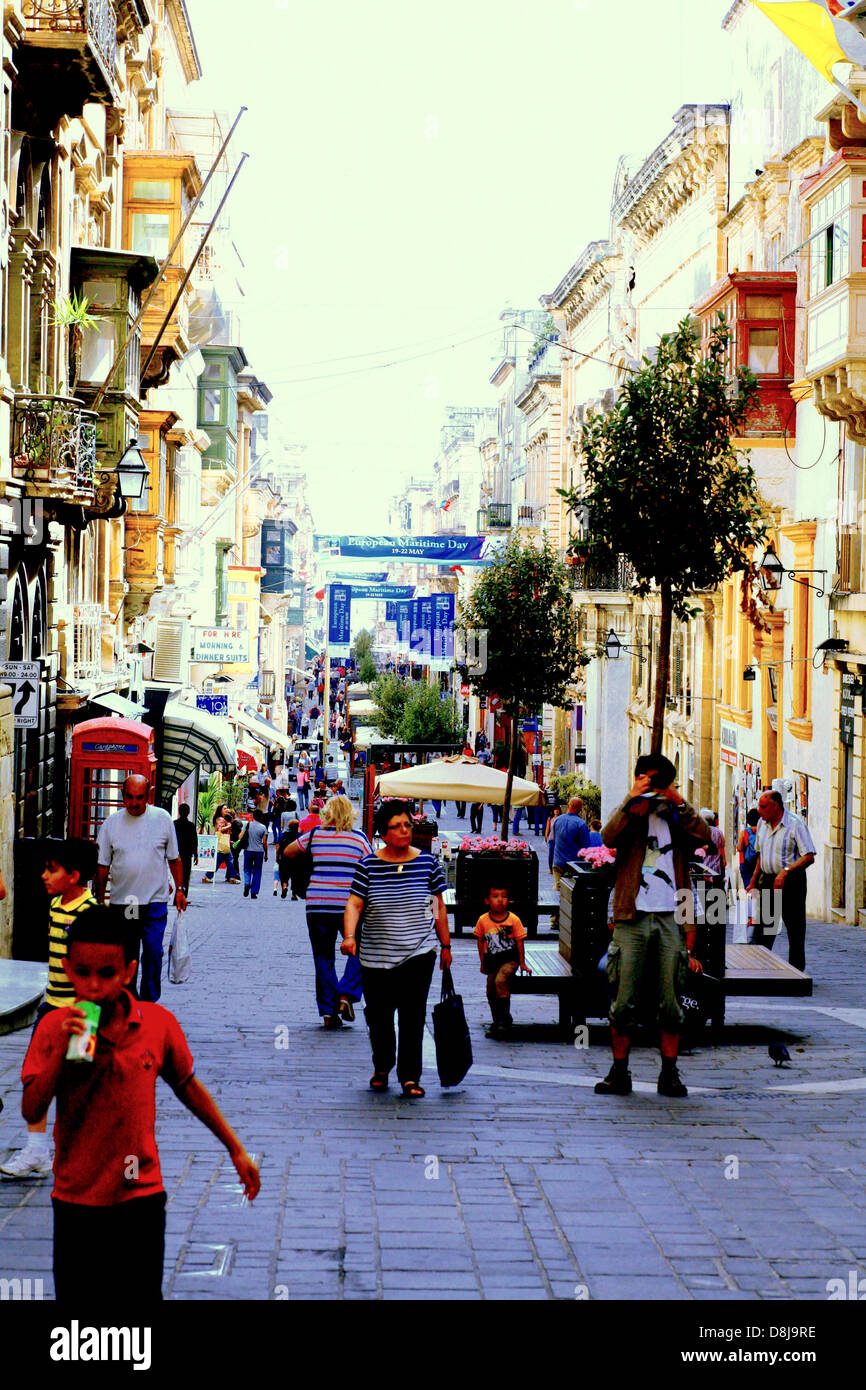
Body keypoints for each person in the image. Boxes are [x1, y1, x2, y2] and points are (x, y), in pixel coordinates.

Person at [21, 905, 259, 1300]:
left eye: (107, 974)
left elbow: (188, 1087)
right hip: (76, 1201)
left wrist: (236, 1149)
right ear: (66, 967)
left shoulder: (157, 1024)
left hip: (140, 1198)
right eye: (82, 973)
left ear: (130, 972)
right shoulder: (51, 1028)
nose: (93, 986)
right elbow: (31, 1108)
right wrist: (62, 1055)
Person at [595, 754, 711, 1099]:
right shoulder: (631, 813)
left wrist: (679, 801)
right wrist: (632, 800)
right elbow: (608, 837)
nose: (653, 789)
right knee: (624, 1000)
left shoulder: (676, 817)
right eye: (648, 780)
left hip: (671, 917)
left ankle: (669, 1074)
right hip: (632, 916)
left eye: (658, 783)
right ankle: (619, 1072)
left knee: (670, 1001)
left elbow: (705, 835)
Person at [1, 839, 96, 1180]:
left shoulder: (89, 913)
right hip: (50, 1007)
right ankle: (37, 1149)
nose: (43, 875)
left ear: (73, 876)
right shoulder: (55, 904)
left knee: (77, 1087)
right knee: (35, 1077)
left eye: (51, 870)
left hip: (82, 1013)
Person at [342, 800, 451, 1098]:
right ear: (383, 833)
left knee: (413, 1016)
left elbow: (437, 906)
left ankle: (409, 1077)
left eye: (407, 824)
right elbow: (354, 903)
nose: (404, 831)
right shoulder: (368, 866)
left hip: (419, 952)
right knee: (378, 1016)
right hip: (376, 956)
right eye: (396, 826)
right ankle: (382, 1065)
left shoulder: (427, 863)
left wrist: (445, 944)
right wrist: (349, 935)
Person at [95, 775, 187, 1003]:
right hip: (129, 902)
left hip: (155, 900)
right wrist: (99, 899)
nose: (134, 803)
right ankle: (128, 1001)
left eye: (139, 797)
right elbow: (102, 865)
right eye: (129, 797)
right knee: (129, 953)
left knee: (154, 950)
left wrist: (180, 889)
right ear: (123, 795)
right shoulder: (112, 824)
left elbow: (174, 859)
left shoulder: (162, 818)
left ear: (148, 795)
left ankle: (149, 1001)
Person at [283, 795, 371, 1027]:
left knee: (323, 958)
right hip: (349, 907)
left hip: (317, 904)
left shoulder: (314, 835)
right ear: (350, 814)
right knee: (360, 950)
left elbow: (288, 852)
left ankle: (329, 1013)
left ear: (327, 813)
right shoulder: (359, 839)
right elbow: (371, 865)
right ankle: (346, 993)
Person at [746, 790, 815, 973]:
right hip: (768, 880)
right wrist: (753, 881)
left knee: (795, 929)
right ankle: (761, 969)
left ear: (775, 806)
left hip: (791, 881)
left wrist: (786, 871)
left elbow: (809, 856)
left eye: (763, 807)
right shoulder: (762, 823)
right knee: (764, 928)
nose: (759, 811)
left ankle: (796, 972)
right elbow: (761, 855)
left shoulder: (795, 824)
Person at [474, 885, 530, 1038]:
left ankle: (504, 1019)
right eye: (495, 896)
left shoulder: (513, 920)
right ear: (487, 901)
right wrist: (482, 961)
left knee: (500, 980)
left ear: (509, 900)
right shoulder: (483, 920)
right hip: (492, 960)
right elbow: (480, 940)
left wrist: (522, 963)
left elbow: (520, 942)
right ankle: (497, 1019)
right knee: (490, 988)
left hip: (509, 959)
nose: (500, 900)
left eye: (504, 897)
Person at [551, 797, 592, 890]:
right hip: (573, 865)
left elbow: (554, 840)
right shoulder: (581, 824)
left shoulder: (557, 820)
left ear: (568, 805)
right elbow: (586, 848)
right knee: (571, 894)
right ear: (580, 809)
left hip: (558, 861)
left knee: (557, 890)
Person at [235, 810, 268, 899]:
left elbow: (240, 836)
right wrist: (266, 854)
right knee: (257, 871)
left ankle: (247, 883)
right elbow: (264, 843)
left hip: (248, 850)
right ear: (261, 817)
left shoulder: (247, 825)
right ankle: (254, 892)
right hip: (259, 852)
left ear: (253, 816)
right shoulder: (263, 827)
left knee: (247, 869)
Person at [699, 807, 727, 894]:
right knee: (717, 890)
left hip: (703, 868)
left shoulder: (700, 832)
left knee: (703, 892)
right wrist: (724, 862)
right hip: (716, 867)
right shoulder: (719, 832)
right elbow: (722, 850)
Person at [173, 804, 198, 896]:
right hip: (187, 854)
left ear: (179, 812)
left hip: (175, 853)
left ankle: (176, 894)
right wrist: (195, 854)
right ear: (188, 812)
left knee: (176, 874)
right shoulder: (191, 826)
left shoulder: (174, 824)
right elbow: (194, 840)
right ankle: (184, 895)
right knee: (186, 875)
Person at [738, 807, 760, 894]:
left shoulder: (744, 832)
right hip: (758, 863)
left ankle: (752, 904)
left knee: (749, 888)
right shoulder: (761, 831)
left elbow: (739, 848)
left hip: (745, 863)